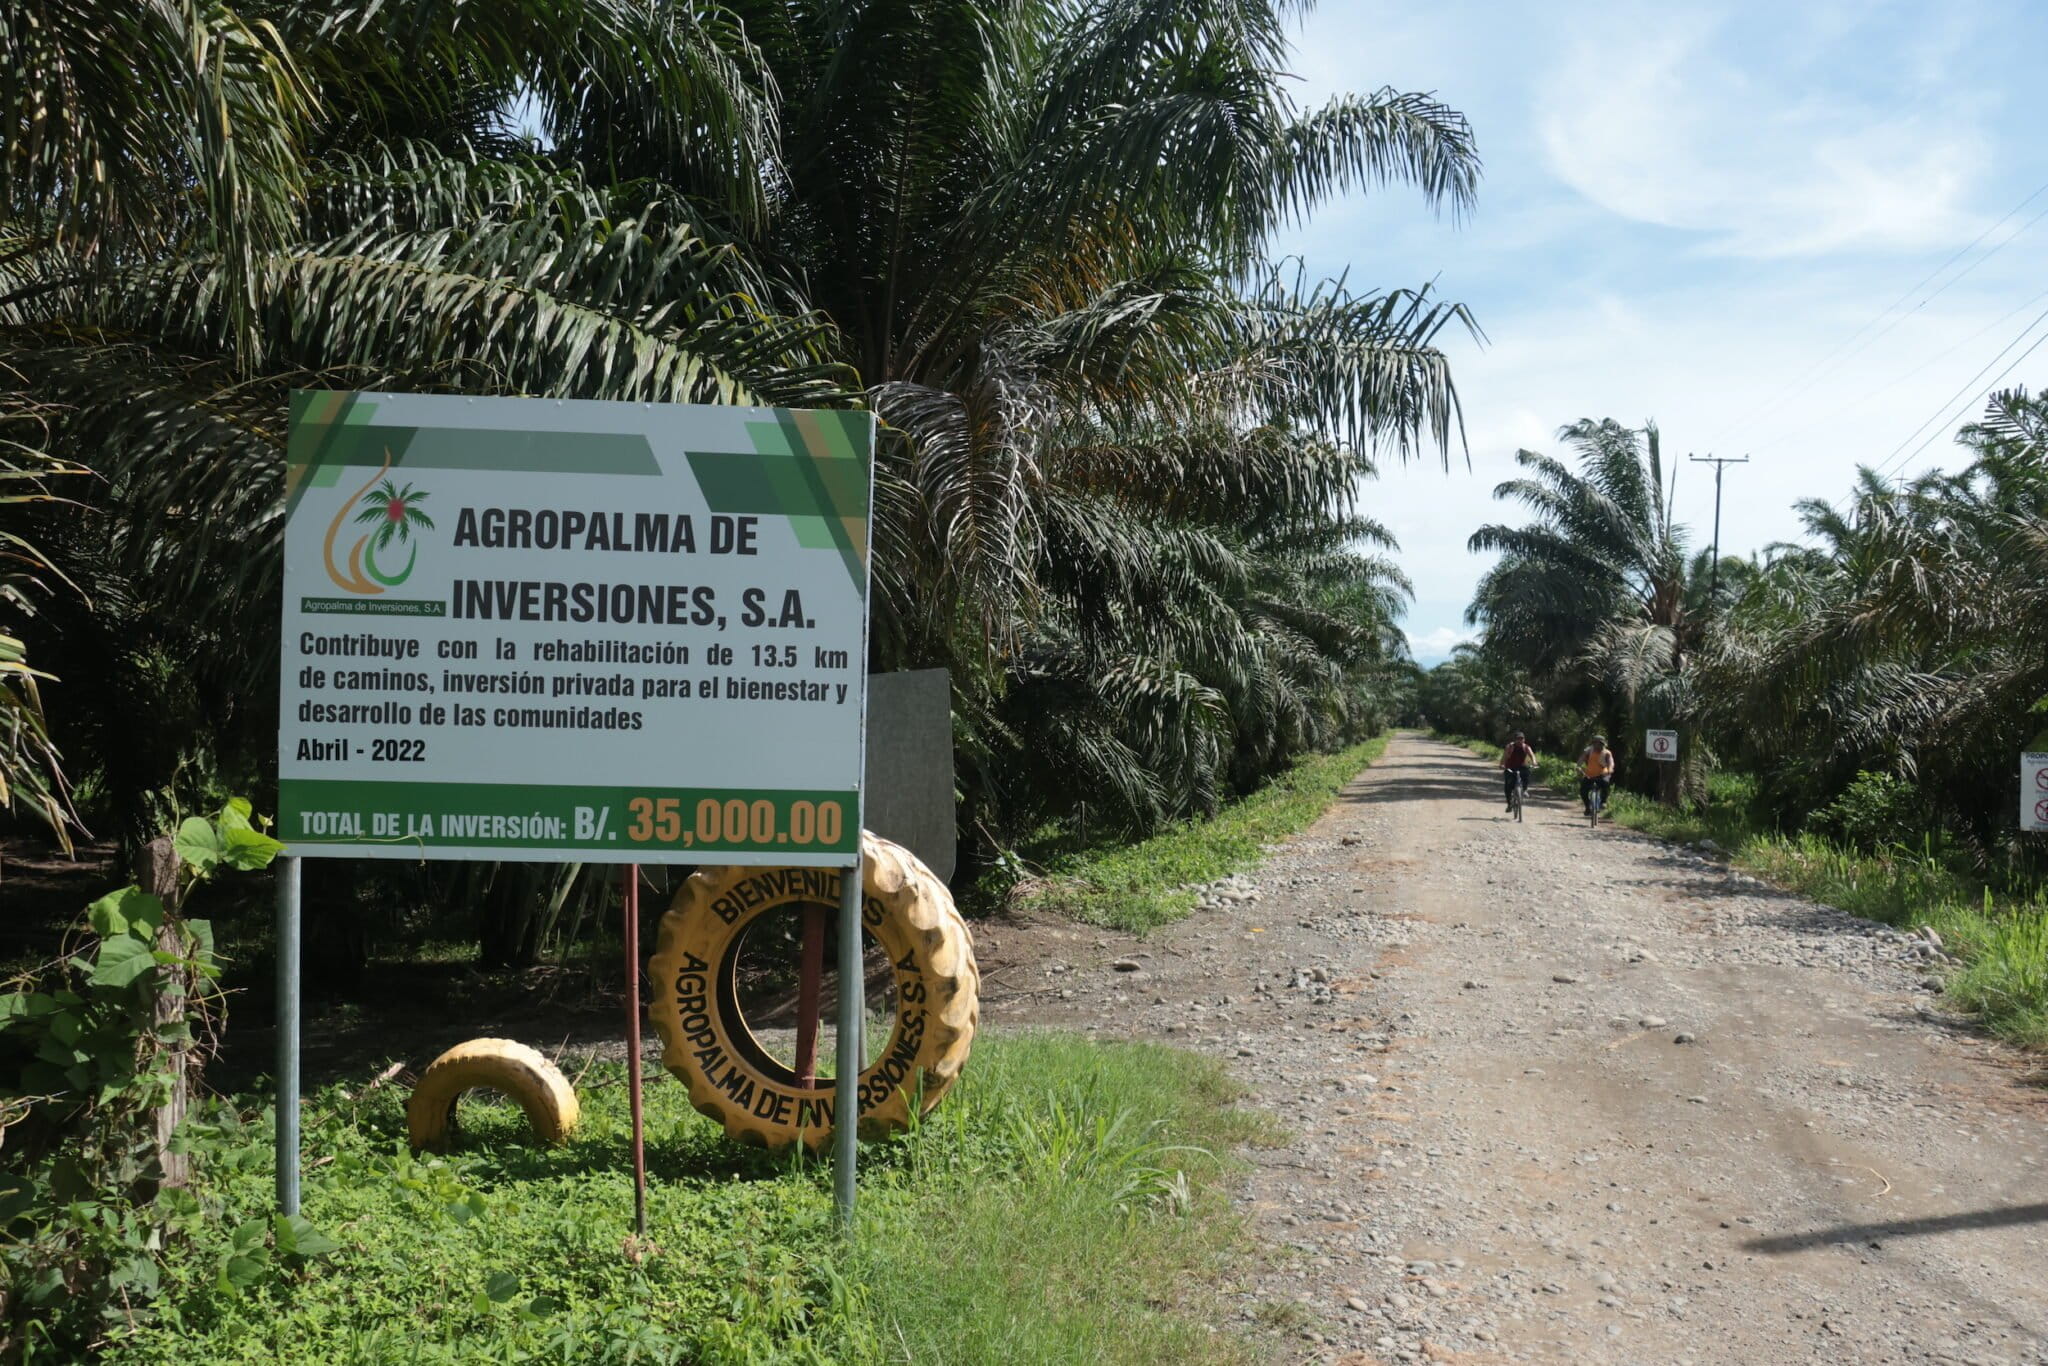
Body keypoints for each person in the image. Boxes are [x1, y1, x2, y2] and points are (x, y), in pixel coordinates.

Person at [1579, 735, 1616, 816]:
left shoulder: (1607, 753)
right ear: (1593, 744)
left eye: (1599, 743)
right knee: (1583, 791)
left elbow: (1611, 762)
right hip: (1589, 775)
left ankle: (1603, 801)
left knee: (1605, 784)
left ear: (1603, 744)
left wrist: (1610, 769)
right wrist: (1578, 766)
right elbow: (1582, 758)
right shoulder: (1589, 751)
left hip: (1602, 774)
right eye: (1595, 743)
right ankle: (1587, 807)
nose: (1597, 745)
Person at [1500, 731, 1535, 811]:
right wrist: (1502, 764)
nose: (1520, 741)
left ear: (1524, 739)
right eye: (1518, 739)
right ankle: (1509, 804)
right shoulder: (1510, 747)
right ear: (1515, 740)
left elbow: (1532, 755)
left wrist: (1534, 762)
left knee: (1527, 773)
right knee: (1508, 786)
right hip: (1510, 767)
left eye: (1522, 739)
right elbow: (1504, 756)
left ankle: (1525, 789)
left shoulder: (1526, 747)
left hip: (1522, 767)